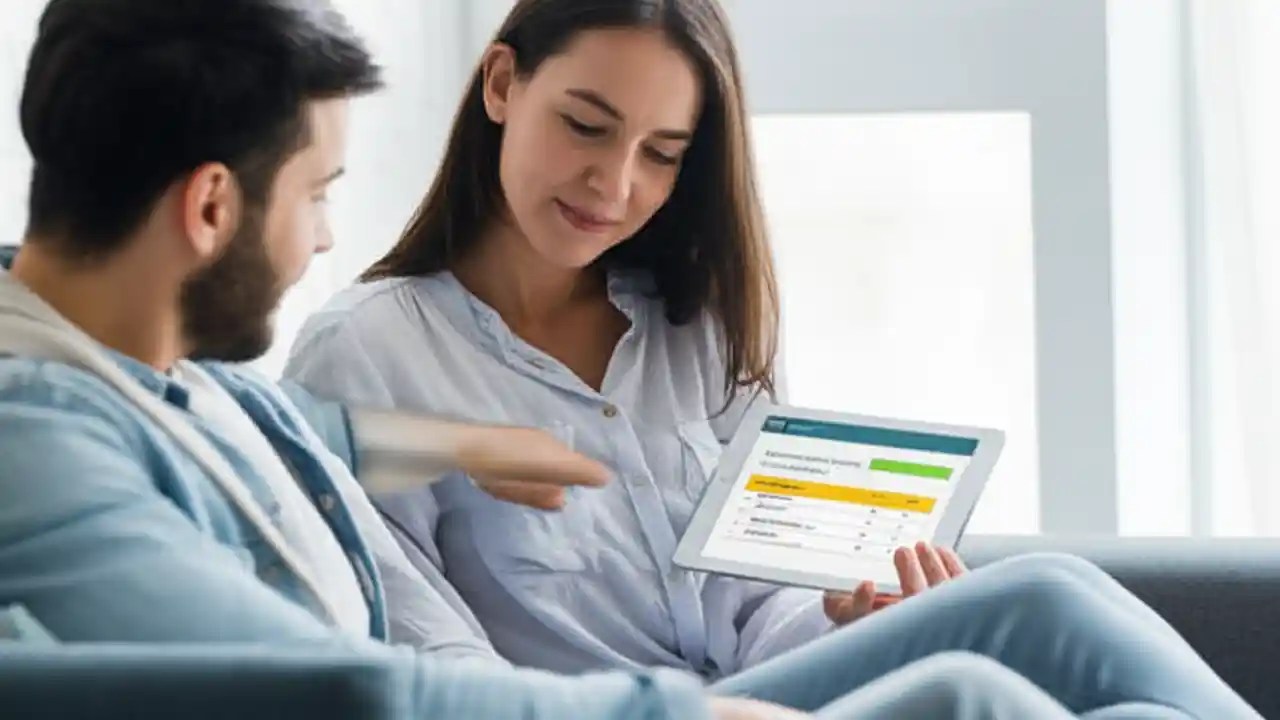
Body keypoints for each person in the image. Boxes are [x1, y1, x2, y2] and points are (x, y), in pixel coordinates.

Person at [0, 1, 1208, 719]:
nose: (325, 235)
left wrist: (469, 443)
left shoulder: (175, 382)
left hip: (697, 693)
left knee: (1042, 600)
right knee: (972, 697)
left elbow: (305, 439)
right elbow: (367, 689)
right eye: (318, 193)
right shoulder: (59, 432)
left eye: (661, 152)